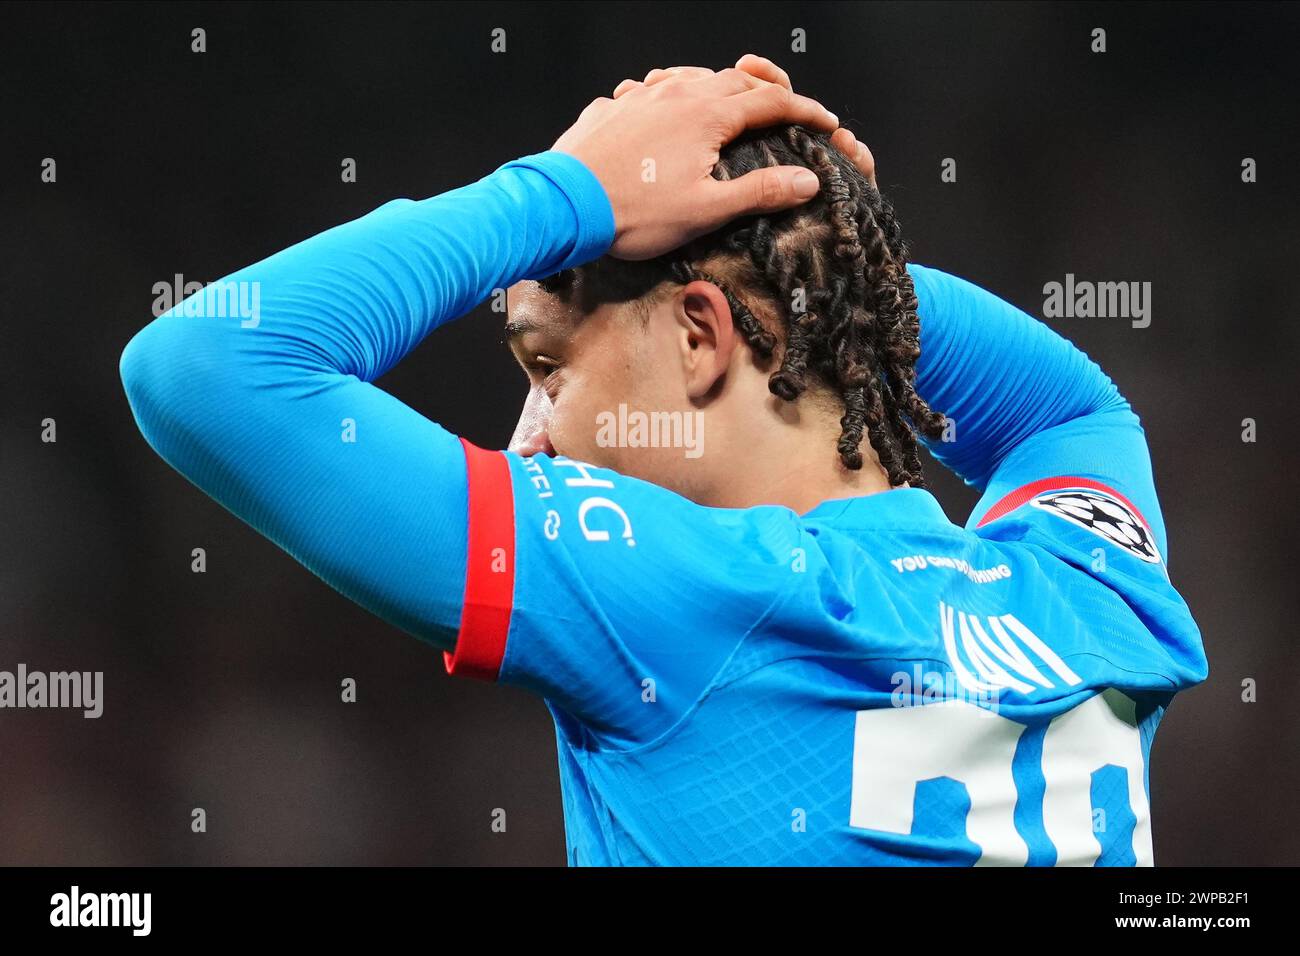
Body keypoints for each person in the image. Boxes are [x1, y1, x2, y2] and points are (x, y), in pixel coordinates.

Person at [120, 55, 1208, 865]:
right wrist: (814, 238)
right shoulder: (1087, 585)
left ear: (700, 335)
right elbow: (1067, 407)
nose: (531, 435)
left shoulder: (673, 595)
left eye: (548, 370)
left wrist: (558, 193)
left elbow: (205, 363)